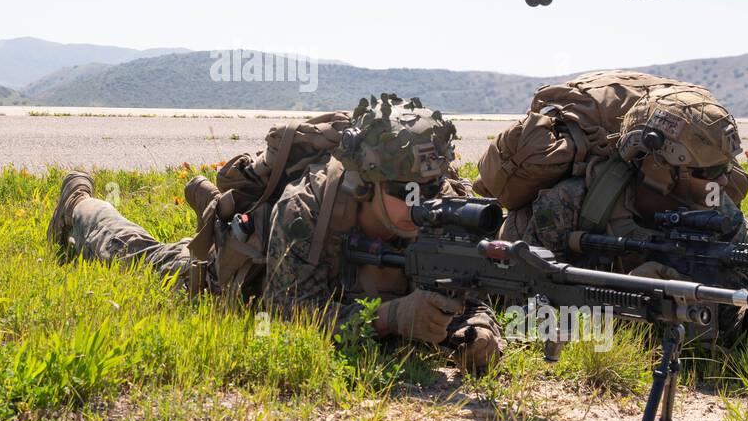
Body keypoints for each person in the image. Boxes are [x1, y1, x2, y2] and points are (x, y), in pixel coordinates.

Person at [49, 94, 505, 372]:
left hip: (343, 286)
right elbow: (289, 319)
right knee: (144, 256)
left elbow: (471, 289)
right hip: (244, 276)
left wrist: (479, 331)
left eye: (430, 187)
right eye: (405, 191)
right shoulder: (308, 206)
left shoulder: (448, 201)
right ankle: (81, 206)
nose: (422, 201)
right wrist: (391, 319)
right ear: (367, 183)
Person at [494, 86, 748, 340]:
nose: (724, 180)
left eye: (725, 168)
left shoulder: (718, 211)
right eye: (711, 171)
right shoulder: (571, 205)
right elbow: (523, 320)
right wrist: (627, 305)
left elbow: (740, 309)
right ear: (660, 168)